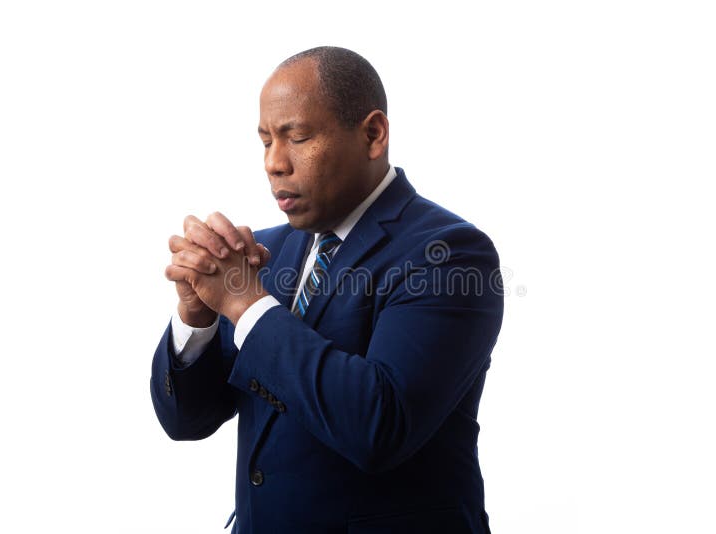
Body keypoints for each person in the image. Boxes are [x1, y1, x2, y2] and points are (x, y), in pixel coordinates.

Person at [151, 46, 504, 534]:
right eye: (265, 141)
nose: (274, 163)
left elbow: (381, 427)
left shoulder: (451, 253)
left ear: (373, 134)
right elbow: (186, 422)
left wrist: (244, 304)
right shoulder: (268, 253)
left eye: (296, 137)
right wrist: (198, 317)